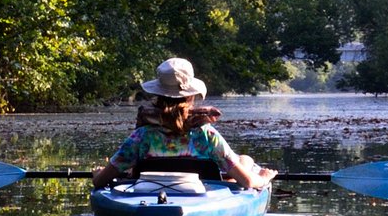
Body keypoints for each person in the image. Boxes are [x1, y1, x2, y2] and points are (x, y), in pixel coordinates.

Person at [91, 57, 275, 189]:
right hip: (200, 198)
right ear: (191, 96)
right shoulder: (206, 135)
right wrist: (264, 178)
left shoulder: (142, 136)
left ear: (158, 95)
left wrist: (97, 174)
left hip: (148, 196)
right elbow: (249, 183)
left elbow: (100, 182)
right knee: (245, 160)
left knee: (245, 160)